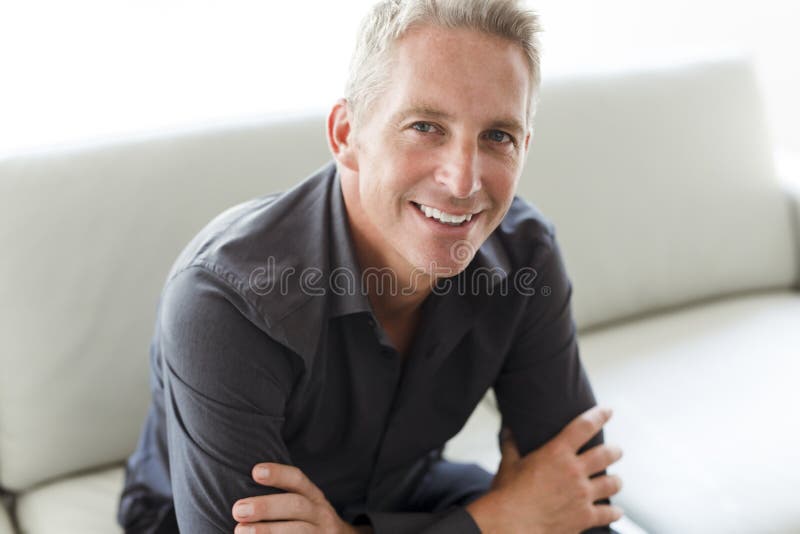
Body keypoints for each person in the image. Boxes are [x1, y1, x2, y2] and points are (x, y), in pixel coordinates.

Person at [118, 1, 624, 532]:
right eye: (426, 126)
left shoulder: (526, 256)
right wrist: (496, 521)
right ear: (346, 135)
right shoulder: (227, 300)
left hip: (409, 498)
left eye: (498, 136)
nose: (463, 181)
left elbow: (577, 501)